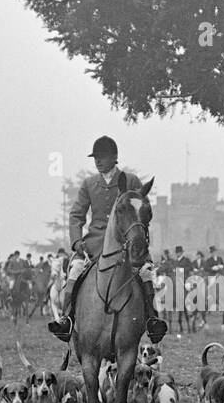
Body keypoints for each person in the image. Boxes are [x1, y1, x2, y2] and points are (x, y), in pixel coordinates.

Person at [47, 136, 167, 343]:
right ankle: (67, 318)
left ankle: (151, 318)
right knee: (75, 269)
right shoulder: (89, 184)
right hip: (94, 244)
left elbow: (142, 210)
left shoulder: (131, 181)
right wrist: (76, 242)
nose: (98, 161)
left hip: (127, 244)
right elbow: (76, 215)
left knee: (146, 272)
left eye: (102, 157)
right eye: (96, 157)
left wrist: (138, 236)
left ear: (114, 157)